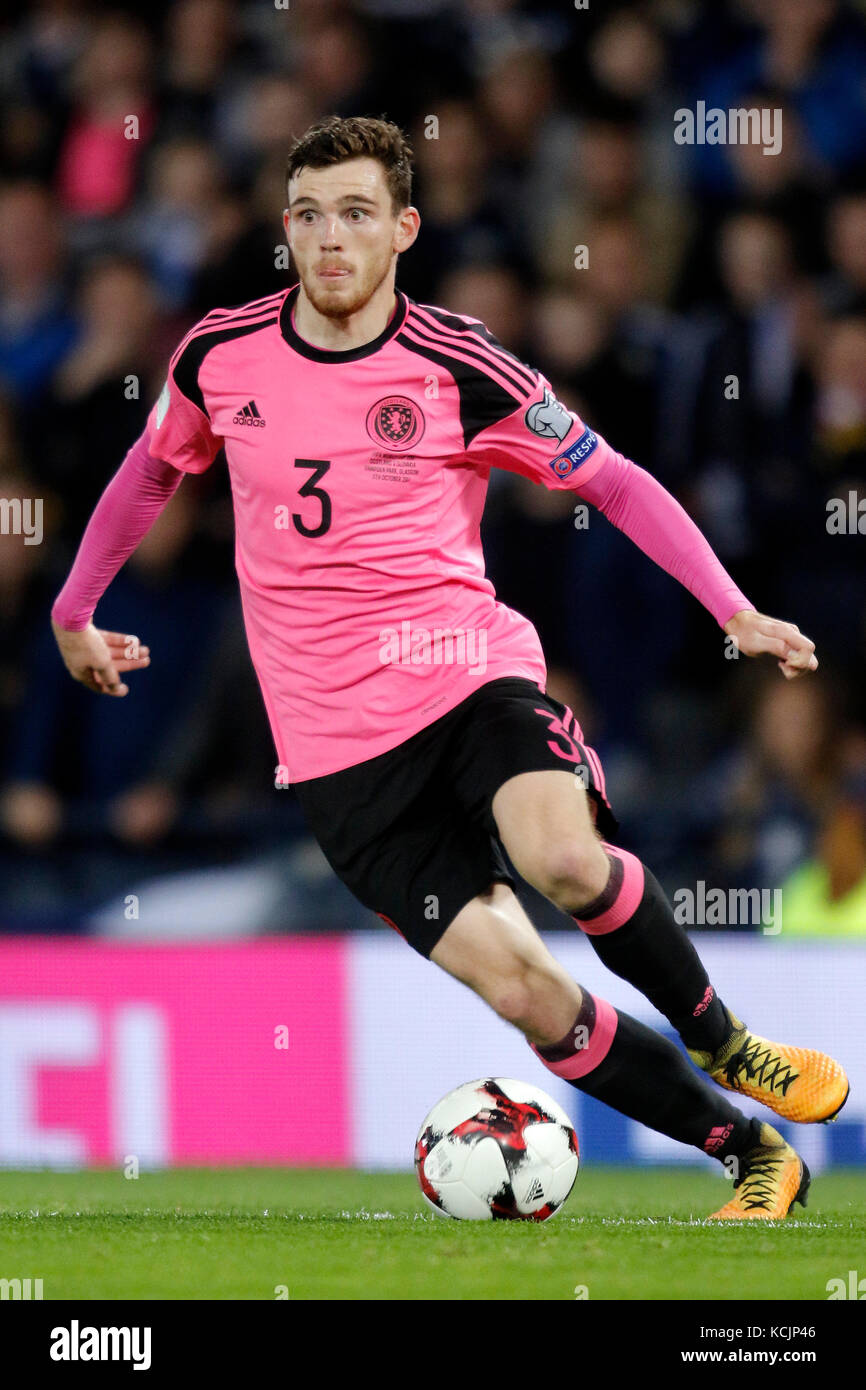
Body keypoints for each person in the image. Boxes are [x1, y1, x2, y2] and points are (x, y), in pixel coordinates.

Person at [50, 116, 848, 1220]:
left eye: (358, 214)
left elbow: (611, 482)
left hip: (465, 678)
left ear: (403, 230)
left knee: (563, 860)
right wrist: (74, 605)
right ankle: (753, 1153)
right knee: (528, 994)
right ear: (287, 229)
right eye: (312, 216)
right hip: (334, 753)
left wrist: (733, 608)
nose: (332, 239)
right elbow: (150, 471)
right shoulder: (217, 354)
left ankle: (728, 1042)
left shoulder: (458, 364)